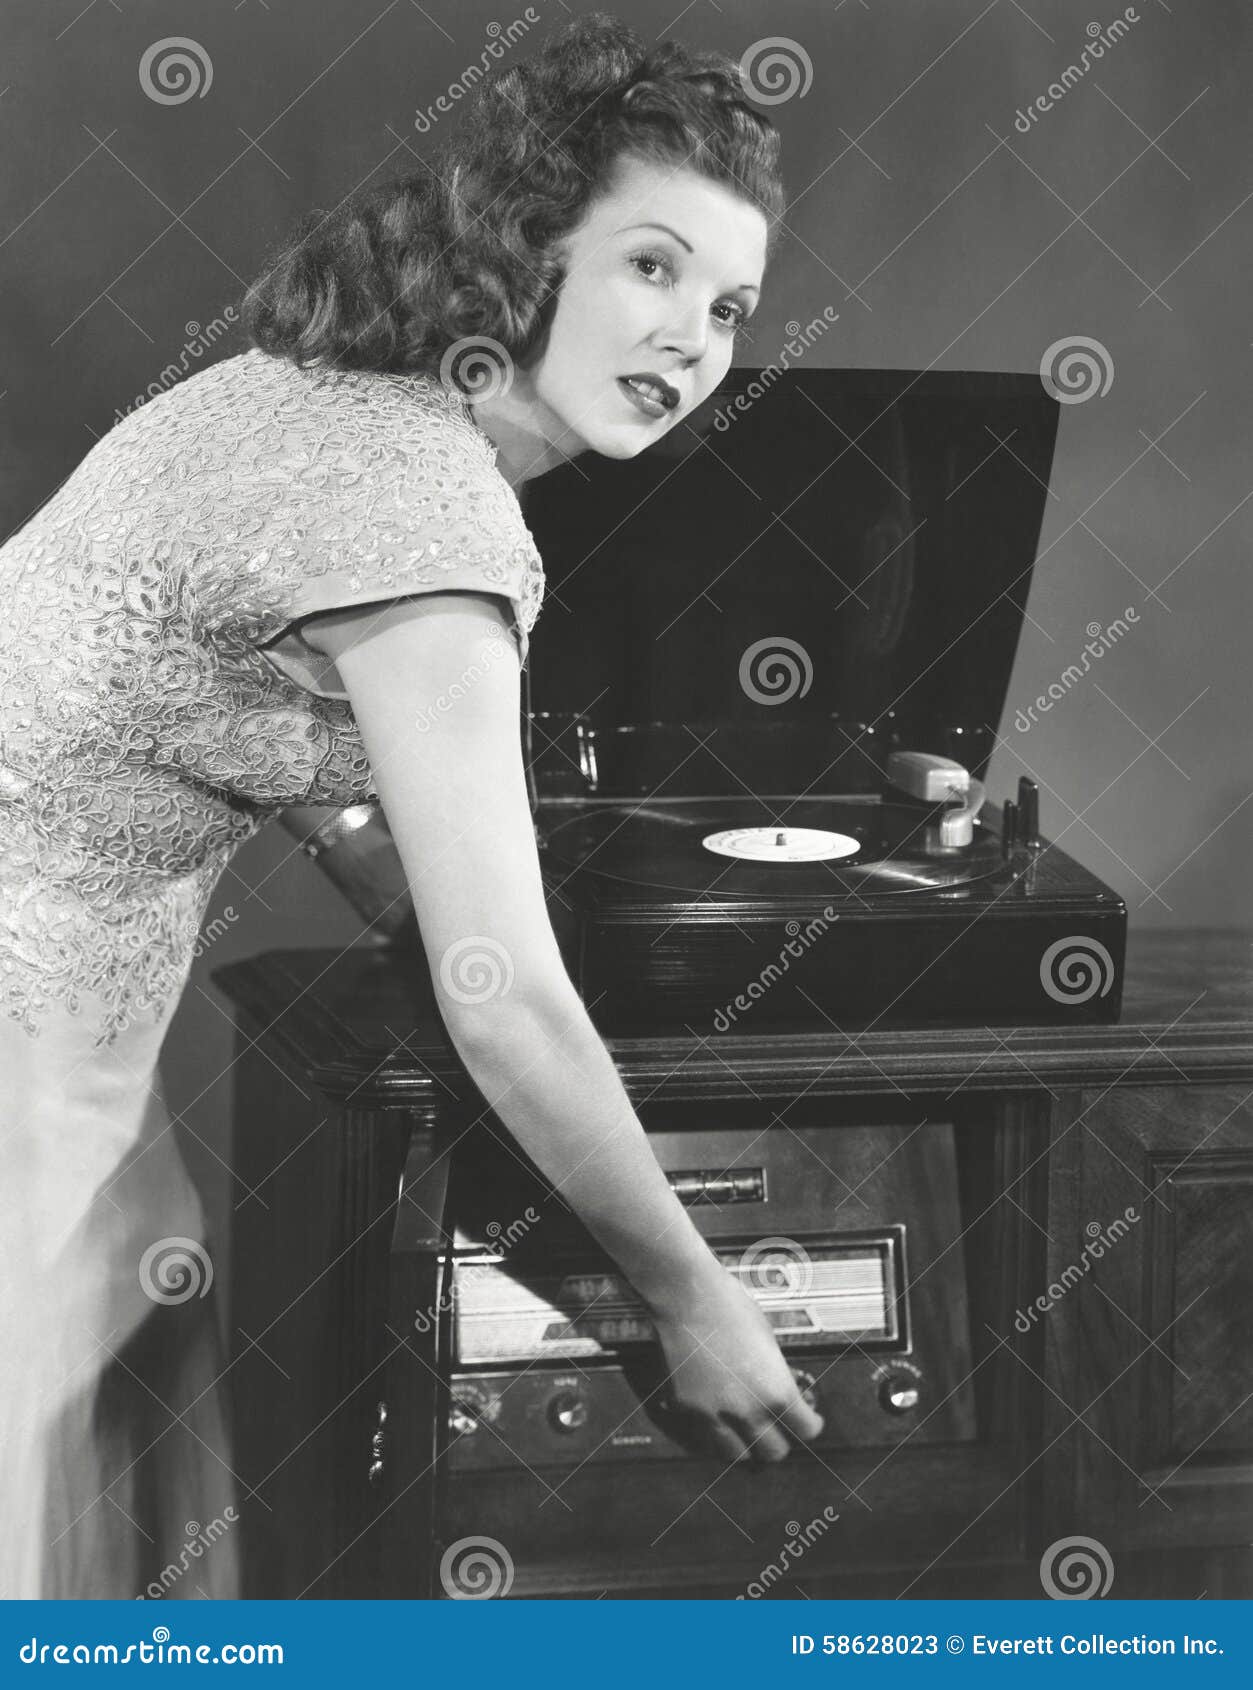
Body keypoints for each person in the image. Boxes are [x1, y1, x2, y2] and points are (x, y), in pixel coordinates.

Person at [0, 12, 822, 1600]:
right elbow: (501, 1000)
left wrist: (427, 891)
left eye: (727, 305)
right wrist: (693, 1294)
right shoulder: (430, 509)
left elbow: (240, 712)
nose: (691, 337)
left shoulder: (310, 396)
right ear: (528, 253)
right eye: (649, 268)